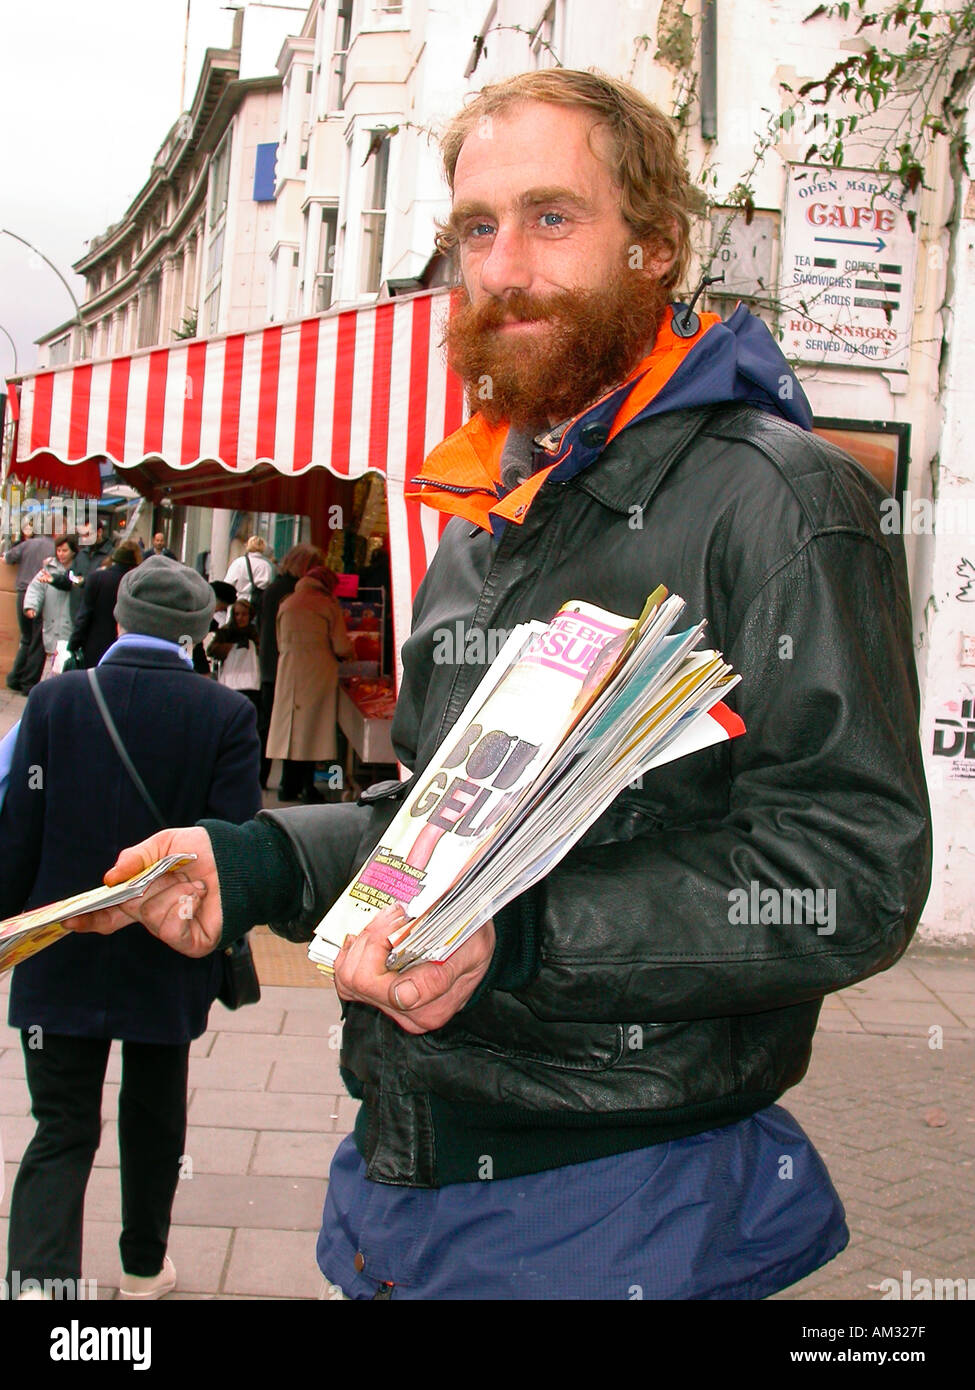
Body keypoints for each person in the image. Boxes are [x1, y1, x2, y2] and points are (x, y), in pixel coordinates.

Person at [70, 70, 931, 1301]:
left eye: (551, 216)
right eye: (477, 228)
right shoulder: (485, 519)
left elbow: (852, 870)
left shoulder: (780, 501)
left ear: (655, 245)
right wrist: (248, 863)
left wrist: (518, 935)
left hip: (620, 1199)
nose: (506, 265)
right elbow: (435, 820)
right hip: (397, 1176)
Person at [1, 555, 261, 1300]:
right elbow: (234, 844)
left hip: (62, 941)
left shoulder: (55, 702)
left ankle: (38, 1287)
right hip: (167, 951)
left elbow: (20, 826)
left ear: (118, 621)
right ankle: (143, 1266)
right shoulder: (227, 715)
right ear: (194, 632)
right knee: (153, 1117)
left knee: (60, 1126)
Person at [266, 565, 352, 803]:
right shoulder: (326, 604)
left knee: (289, 729)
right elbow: (341, 646)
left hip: (288, 669)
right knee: (312, 730)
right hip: (317, 670)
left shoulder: (287, 603)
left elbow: (279, 639)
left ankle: (287, 785)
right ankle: (308, 787)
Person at [257, 544, 326, 787]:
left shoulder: (274, 588)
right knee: (292, 727)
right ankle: (285, 781)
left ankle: (265, 778)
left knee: (270, 725)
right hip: (286, 667)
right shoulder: (293, 592)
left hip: (270, 664)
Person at [69, 541, 141, 669]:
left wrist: (73, 643)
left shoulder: (96, 578)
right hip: (123, 647)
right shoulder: (135, 583)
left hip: (94, 646)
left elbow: (84, 615)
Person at [3, 521, 55, 694]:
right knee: (38, 640)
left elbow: (9, 558)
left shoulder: (28, 544)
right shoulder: (57, 549)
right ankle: (28, 683)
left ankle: (14, 678)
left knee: (26, 638)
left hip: (22, 594)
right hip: (42, 596)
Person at [22, 533, 82, 681]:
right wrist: (31, 606)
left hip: (70, 623)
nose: (61, 554)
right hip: (51, 621)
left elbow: (79, 583)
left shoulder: (79, 569)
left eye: (65, 550)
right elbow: (36, 587)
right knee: (51, 661)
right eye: (58, 550)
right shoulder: (49, 568)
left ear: (73, 551)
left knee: (66, 661)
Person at [208, 598, 261, 716]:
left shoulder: (255, 633)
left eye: (244, 614)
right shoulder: (226, 632)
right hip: (230, 680)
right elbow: (212, 650)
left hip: (251, 682)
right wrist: (230, 648)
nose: (240, 618)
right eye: (237, 614)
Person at [224, 535, 272, 608]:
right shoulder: (266, 566)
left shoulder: (239, 562)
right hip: (257, 605)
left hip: (238, 602)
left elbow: (227, 584)